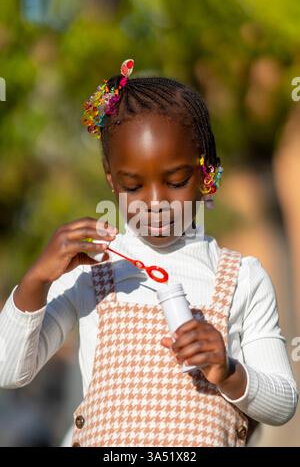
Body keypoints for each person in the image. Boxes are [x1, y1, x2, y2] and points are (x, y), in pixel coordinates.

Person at [0, 58, 298, 447]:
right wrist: (37, 279)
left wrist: (228, 371)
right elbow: (9, 370)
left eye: (175, 181)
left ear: (206, 173)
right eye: (133, 186)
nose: (155, 202)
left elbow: (284, 402)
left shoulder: (242, 277)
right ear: (111, 178)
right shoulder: (91, 269)